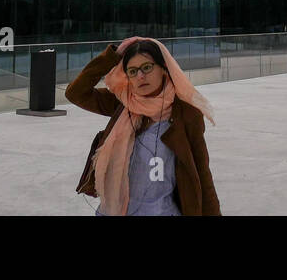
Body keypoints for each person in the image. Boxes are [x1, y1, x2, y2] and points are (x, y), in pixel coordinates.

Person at [65, 37, 219, 216]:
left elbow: (201, 173)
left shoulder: (186, 113)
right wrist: (113, 56)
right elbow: (75, 93)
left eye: (147, 67)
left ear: (163, 68)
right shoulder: (123, 104)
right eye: (132, 71)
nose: (140, 76)